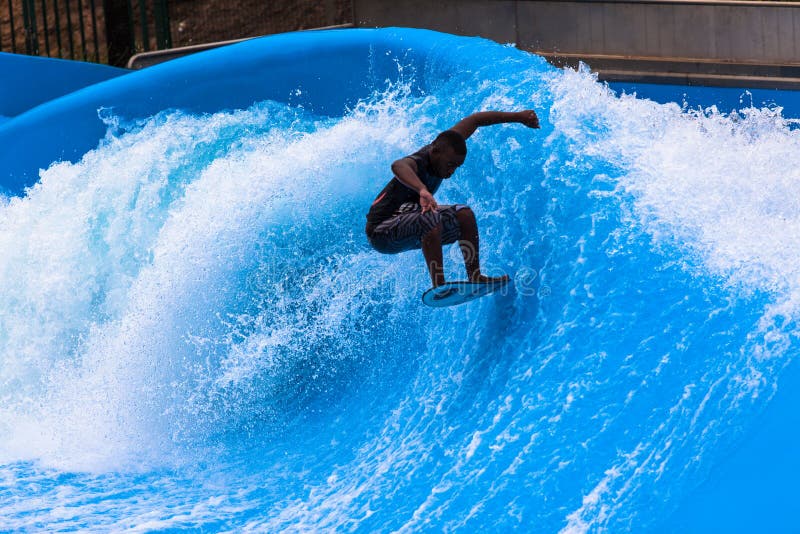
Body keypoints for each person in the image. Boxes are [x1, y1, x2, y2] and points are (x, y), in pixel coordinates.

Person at [365, 110, 540, 288]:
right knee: (430, 217)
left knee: (464, 214)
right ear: (435, 151)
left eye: (456, 167)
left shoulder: (447, 145)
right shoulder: (419, 160)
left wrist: (518, 117)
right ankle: (440, 286)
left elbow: (475, 120)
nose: (451, 172)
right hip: (381, 232)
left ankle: (475, 276)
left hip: (408, 224)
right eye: (449, 165)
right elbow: (398, 165)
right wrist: (422, 190)